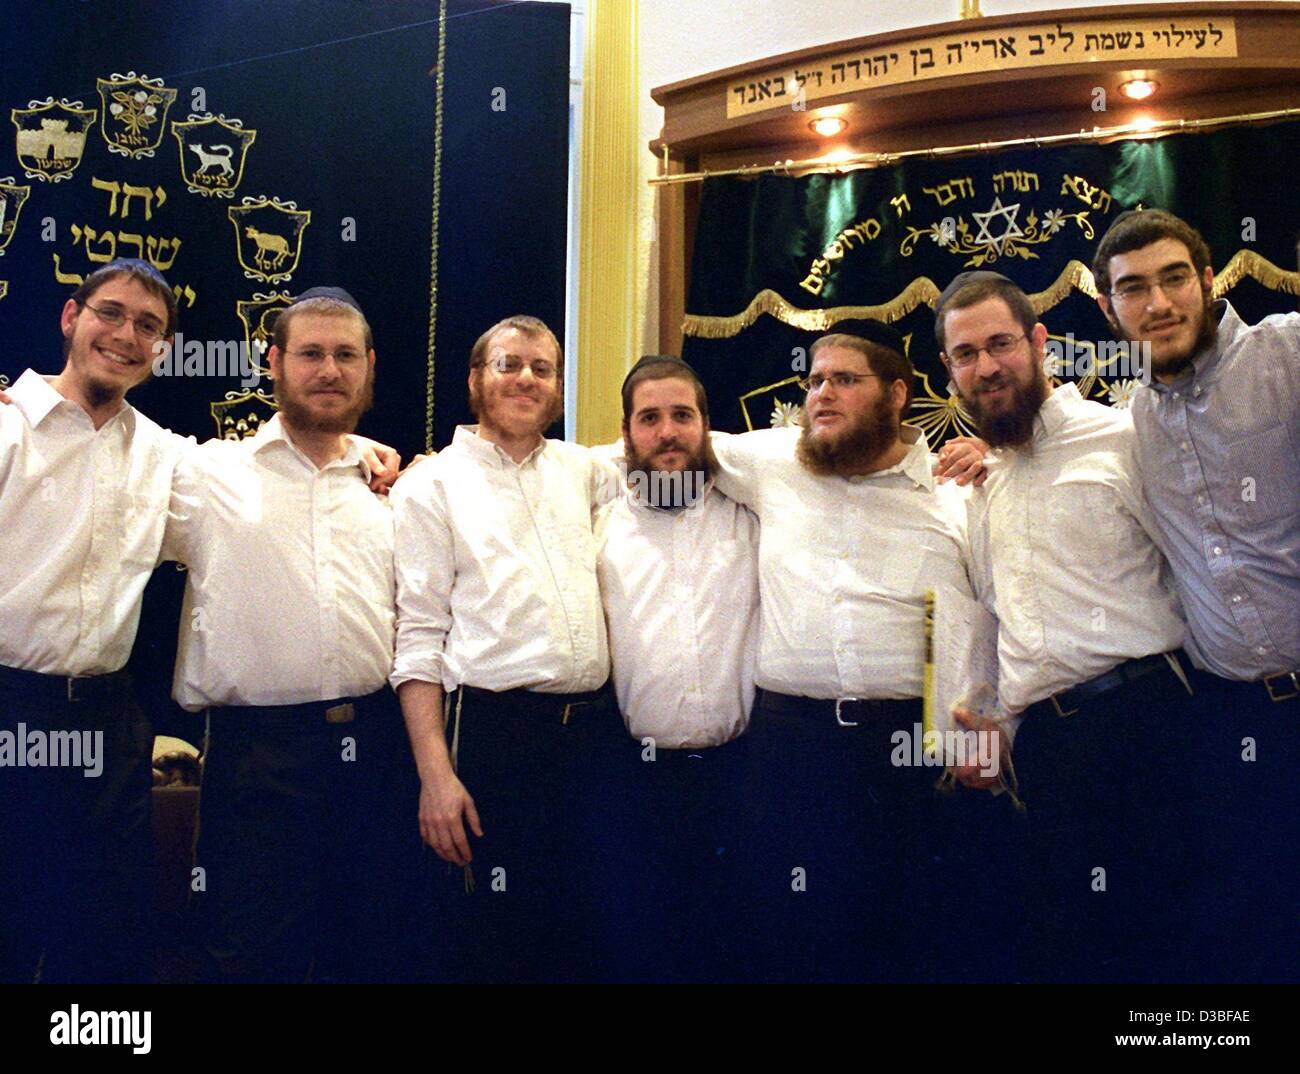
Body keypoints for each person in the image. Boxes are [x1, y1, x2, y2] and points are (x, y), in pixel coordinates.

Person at [938, 269, 1197, 983]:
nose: (987, 367)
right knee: (1072, 952)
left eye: (1000, 344)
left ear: (1040, 341)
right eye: (967, 355)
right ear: (950, 371)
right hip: (1048, 751)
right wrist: (993, 720)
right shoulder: (980, 483)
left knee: (1170, 953)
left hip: (1148, 724)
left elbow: (1193, 569)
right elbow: (1001, 619)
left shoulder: (1122, 439)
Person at [710, 324, 985, 983]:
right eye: (814, 382)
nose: (822, 394)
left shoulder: (958, 493)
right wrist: (438, 463)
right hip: (792, 746)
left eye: (843, 380)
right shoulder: (773, 463)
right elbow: (646, 450)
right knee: (793, 940)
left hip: (913, 750)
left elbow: (1001, 622)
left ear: (896, 394)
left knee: (917, 938)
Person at [160, 287, 418, 983]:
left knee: (370, 949)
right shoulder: (207, 471)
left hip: (376, 748)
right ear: (272, 363)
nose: (328, 370)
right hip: (255, 756)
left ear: (369, 365)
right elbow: (101, 456)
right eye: (310, 354)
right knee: (246, 952)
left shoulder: (396, 488)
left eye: (344, 355)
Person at [1092, 209, 1299, 981]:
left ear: (1210, 280)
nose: (1158, 304)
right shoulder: (1128, 422)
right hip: (1234, 723)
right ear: (1110, 310)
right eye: (1133, 289)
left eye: (1175, 278)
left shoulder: (1287, 353)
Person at [391, 314, 618, 983]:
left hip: (592, 735)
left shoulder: (586, 471)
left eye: (542, 369)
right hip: (492, 733)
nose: (525, 378)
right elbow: (419, 639)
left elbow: (683, 452)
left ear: (557, 389)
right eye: (508, 364)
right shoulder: (427, 486)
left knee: (578, 929)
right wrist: (435, 777)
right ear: (474, 380)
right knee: (491, 937)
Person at [0, 260, 183, 983]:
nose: (126, 335)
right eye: (111, 313)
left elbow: (262, 486)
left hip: (111, 719)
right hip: (10, 706)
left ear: (163, 349)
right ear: (71, 318)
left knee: (108, 937)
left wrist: (361, 452)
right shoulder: (8, 429)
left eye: (149, 326)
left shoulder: (166, 455)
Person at [593, 355, 759, 982]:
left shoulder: (755, 515)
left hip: (744, 780)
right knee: (645, 953)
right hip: (634, 785)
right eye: (650, 418)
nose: (667, 433)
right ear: (627, 432)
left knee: (741, 951)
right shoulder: (598, 526)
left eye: (682, 416)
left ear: (707, 425)